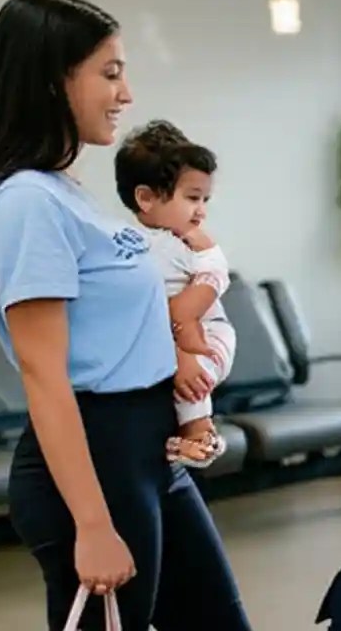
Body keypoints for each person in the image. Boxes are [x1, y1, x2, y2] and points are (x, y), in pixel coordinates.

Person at [0, 0, 251, 629]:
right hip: (96, 460)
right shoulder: (26, 202)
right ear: (53, 83)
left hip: (143, 450)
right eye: (110, 73)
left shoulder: (64, 191)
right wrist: (92, 524)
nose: (127, 94)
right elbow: (43, 376)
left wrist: (188, 409)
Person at [114, 120, 234, 468]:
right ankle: (177, 444)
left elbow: (217, 272)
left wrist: (181, 317)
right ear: (146, 198)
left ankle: (199, 429)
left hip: (209, 337)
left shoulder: (187, 242)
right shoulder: (127, 244)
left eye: (205, 199)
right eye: (192, 198)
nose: (202, 210)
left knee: (193, 376)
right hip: (164, 346)